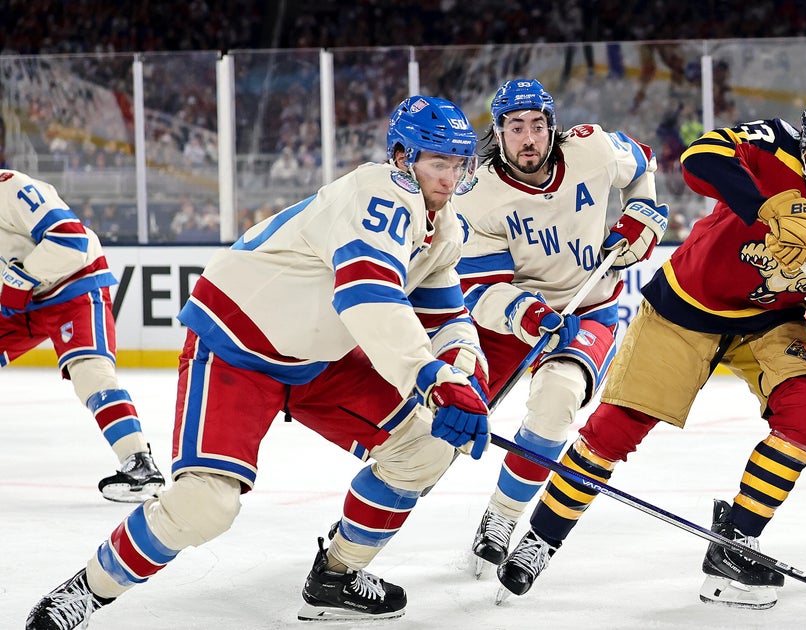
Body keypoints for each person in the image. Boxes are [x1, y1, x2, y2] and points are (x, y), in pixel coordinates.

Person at [27, 95, 491, 630]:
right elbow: (368, 296)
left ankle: (336, 578)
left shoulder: (446, 225)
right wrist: (432, 377)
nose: (450, 177)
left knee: (426, 447)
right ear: (403, 157)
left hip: (318, 360)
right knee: (205, 505)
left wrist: (462, 372)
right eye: (438, 162)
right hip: (238, 348)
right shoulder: (379, 192)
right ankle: (86, 590)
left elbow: (447, 318)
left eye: (459, 163)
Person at [493, 90, 806, 609]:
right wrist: (767, 205)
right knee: (614, 430)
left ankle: (734, 541)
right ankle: (540, 538)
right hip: (686, 306)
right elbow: (699, 157)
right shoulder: (774, 144)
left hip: (768, 321)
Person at [455, 78, 666, 577]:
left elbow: (645, 164)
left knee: (557, 400)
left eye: (537, 125)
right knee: (443, 427)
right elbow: (478, 291)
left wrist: (642, 212)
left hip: (589, 308)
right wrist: (526, 315)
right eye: (515, 128)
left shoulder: (592, 149)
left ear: (554, 127)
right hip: (513, 316)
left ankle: (502, 517)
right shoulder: (478, 194)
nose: (528, 138)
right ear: (499, 134)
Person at [1, 169, 165, 503]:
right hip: (19, 299)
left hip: (71, 284)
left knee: (91, 372)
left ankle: (139, 463)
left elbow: (70, 240)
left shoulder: (10, 188)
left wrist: (18, 282)